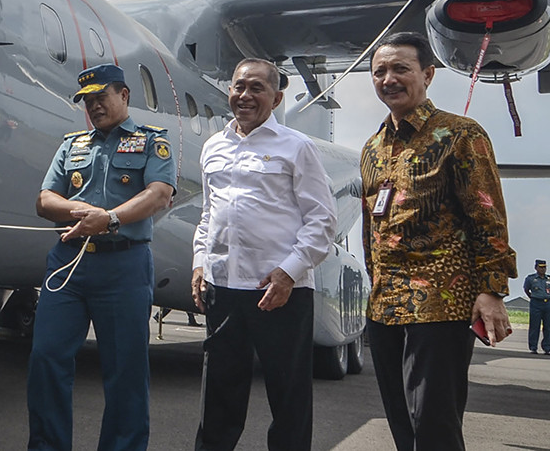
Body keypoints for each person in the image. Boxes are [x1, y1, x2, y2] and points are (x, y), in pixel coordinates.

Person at [361, 31, 517, 451]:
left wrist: (491, 290)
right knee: (401, 423)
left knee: (434, 423)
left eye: (400, 69)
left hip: (441, 303)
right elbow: (369, 228)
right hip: (385, 305)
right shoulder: (372, 148)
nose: (388, 79)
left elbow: (487, 215)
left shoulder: (461, 134)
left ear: (428, 74)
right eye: (379, 72)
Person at [28, 64, 176, 451]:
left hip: (124, 264)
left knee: (125, 371)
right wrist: (80, 212)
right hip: (68, 262)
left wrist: (109, 218)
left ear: (124, 95)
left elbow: (160, 193)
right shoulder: (73, 144)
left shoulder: (151, 143)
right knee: (47, 357)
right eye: (87, 101)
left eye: (101, 98)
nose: (93, 107)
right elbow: (45, 199)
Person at [191, 58, 337, 451]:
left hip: (280, 290)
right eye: (239, 86)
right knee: (219, 395)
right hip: (224, 288)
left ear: (276, 98)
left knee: (288, 398)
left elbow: (322, 221)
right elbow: (209, 215)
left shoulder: (296, 147)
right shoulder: (213, 147)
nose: (245, 96)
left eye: (257, 88)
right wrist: (200, 263)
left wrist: (288, 273)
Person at [524, 259, 550, 355]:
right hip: (536, 303)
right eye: (541, 267)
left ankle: (547, 348)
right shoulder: (531, 279)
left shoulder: (548, 279)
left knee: (548, 327)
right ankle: (533, 347)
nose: (543, 269)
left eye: (544, 267)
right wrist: (532, 297)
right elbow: (526, 289)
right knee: (535, 326)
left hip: (548, 304)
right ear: (536, 268)